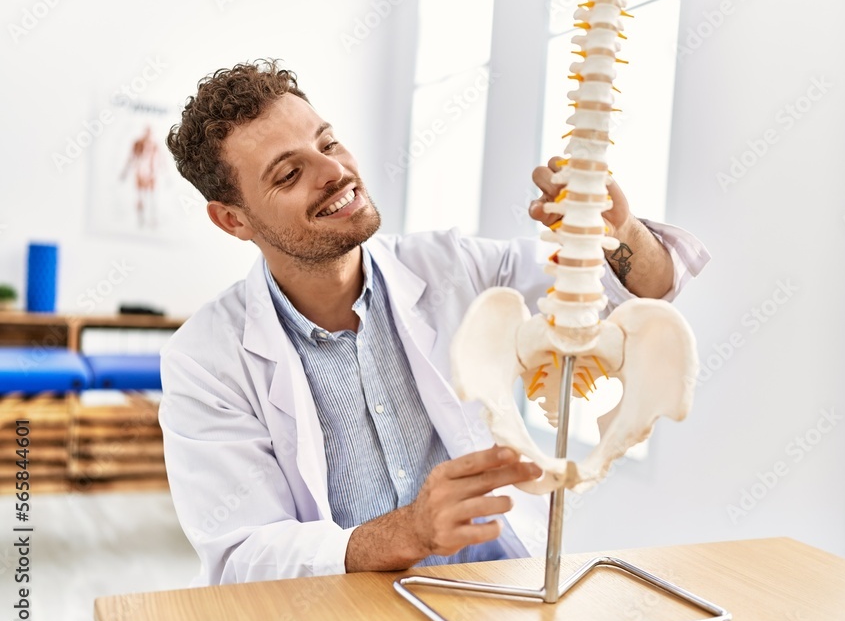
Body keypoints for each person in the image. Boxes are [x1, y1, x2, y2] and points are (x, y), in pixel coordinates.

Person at [160, 59, 709, 586]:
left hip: (501, 596)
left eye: (328, 144)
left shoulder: (454, 268)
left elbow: (633, 294)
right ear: (232, 219)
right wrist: (409, 532)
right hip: (347, 620)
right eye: (290, 173)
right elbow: (242, 555)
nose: (335, 172)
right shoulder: (206, 359)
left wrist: (615, 232)